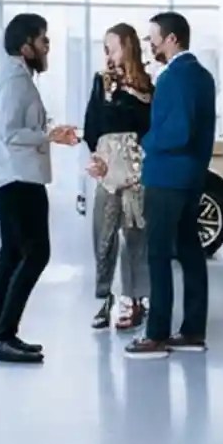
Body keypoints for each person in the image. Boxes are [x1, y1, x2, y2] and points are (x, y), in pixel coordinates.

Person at [0, 13, 79, 364]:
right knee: (35, 253)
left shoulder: (16, 77)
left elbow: (16, 126)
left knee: (11, 255)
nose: (47, 46)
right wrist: (47, 135)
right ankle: (1, 334)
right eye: (43, 40)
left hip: (12, 176)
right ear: (26, 46)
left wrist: (48, 131)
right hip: (17, 178)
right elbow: (9, 133)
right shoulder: (14, 82)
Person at [125, 12, 217, 359]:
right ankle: (193, 330)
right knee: (190, 252)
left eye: (154, 39)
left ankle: (156, 335)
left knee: (159, 254)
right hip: (191, 176)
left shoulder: (175, 78)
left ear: (173, 39)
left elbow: (178, 132)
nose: (151, 46)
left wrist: (145, 140)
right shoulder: (202, 76)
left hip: (167, 178)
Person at [83, 23, 153, 331]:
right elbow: (91, 126)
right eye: (105, 48)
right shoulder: (102, 83)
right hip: (108, 170)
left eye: (112, 46)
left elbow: (151, 129)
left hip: (138, 172)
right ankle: (103, 297)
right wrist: (96, 158)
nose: (109, 53)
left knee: (136, 236)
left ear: (128, 46)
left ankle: (135, 300)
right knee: (103, 235)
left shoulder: (148, 87)